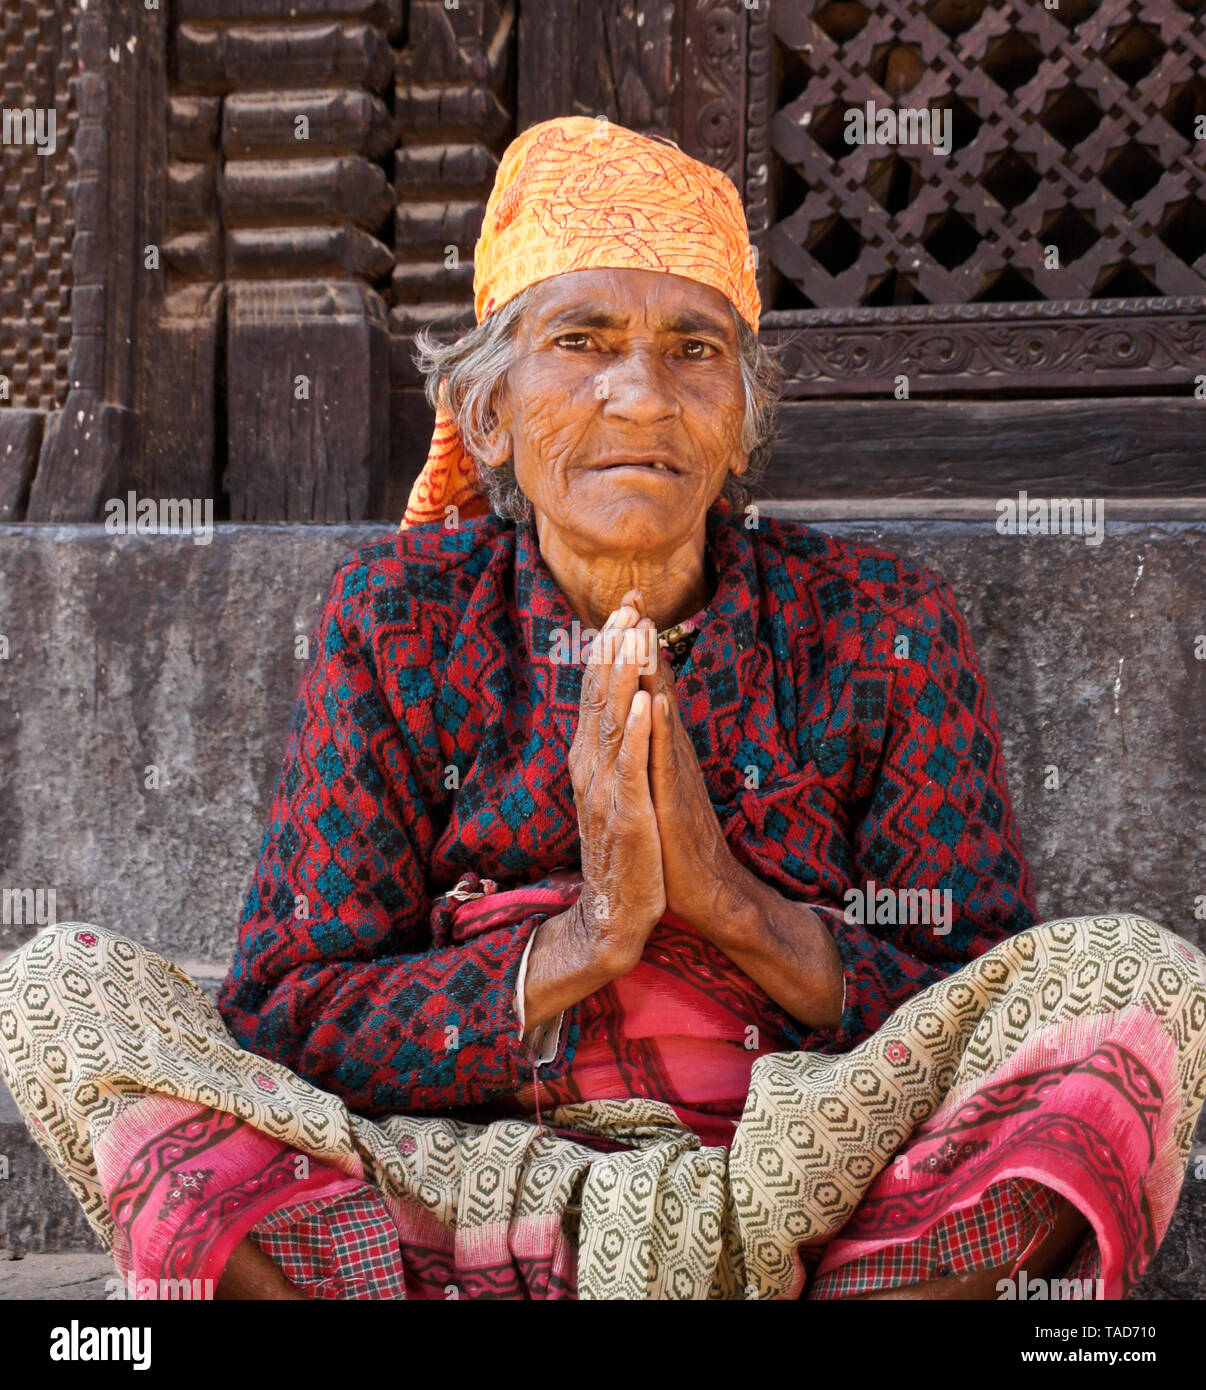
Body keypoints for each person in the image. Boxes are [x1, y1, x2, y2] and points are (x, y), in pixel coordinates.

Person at [2, 117, 1204, 1302]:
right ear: (490, 413)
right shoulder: (402, 616)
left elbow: (980, 992)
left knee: (1137, 986)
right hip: (459, 1185)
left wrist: (731, 907)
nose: (642, 396)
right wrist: (582, 941)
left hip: (801, 1181)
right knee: (61, 988)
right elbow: (290, 1010)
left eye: (694, 349)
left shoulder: (881, 619)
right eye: (583, 340)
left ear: (739, 418)